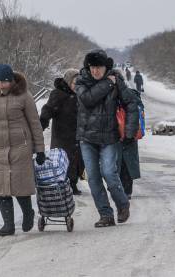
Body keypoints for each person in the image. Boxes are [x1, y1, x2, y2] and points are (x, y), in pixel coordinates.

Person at [0, 63, 45, 236]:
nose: (0, 86)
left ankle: (28, 214)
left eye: (4, 82)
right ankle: (8, 225)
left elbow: (35, 124)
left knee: (20, 187)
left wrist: (40, 149)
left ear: (11, 81)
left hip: (21, 147)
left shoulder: (24, 96)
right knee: (1, 189)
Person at [75, 49, 140, 228]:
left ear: (106, 67)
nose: (95, 71)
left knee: (110, 174)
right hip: (87, 139)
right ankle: (106, 215)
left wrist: (129, 132)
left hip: (109, 138)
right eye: (92, 67)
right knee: (94, 178)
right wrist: (106, 84)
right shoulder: (81, 81)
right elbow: (88, 99)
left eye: (99, 67)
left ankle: (122, 204)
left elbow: (131, 104)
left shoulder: (116, 80)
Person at [40, 68, 84, 195]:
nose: (77, 86)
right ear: (69, 81)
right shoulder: (58, 94)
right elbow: (48, 109)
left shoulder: (81, 95)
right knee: (63, 161)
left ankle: (73, 184)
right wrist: (43, 122)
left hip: (77, 134)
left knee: (77, 161)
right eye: (75, 83)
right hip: (62, 135)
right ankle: (64, 185)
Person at [120, 91, 144, 198]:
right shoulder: (135, 98)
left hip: (123, 135)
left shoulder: (124, 96)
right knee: (127, 164)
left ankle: (124, 191)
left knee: (122, 164)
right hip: (129, 136)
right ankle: (127, 191)